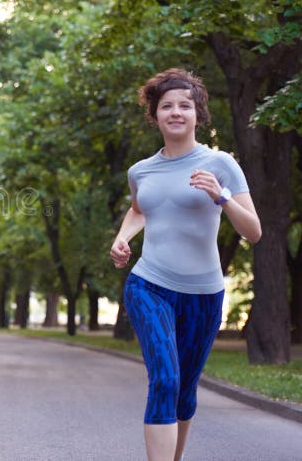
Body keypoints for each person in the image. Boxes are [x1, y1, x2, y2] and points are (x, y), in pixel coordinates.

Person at [109, 68, 261, 461]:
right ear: (155, 115)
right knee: (165, 379)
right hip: (149, 285)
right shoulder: (140, 171)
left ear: (198, 113)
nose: (176, 112)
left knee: (185, 390)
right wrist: (123, 238)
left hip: (204, 294)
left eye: (185, 105)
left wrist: (222, 196)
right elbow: (139, 209)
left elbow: (254, 231)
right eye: (167, 106)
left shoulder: (221, 163)